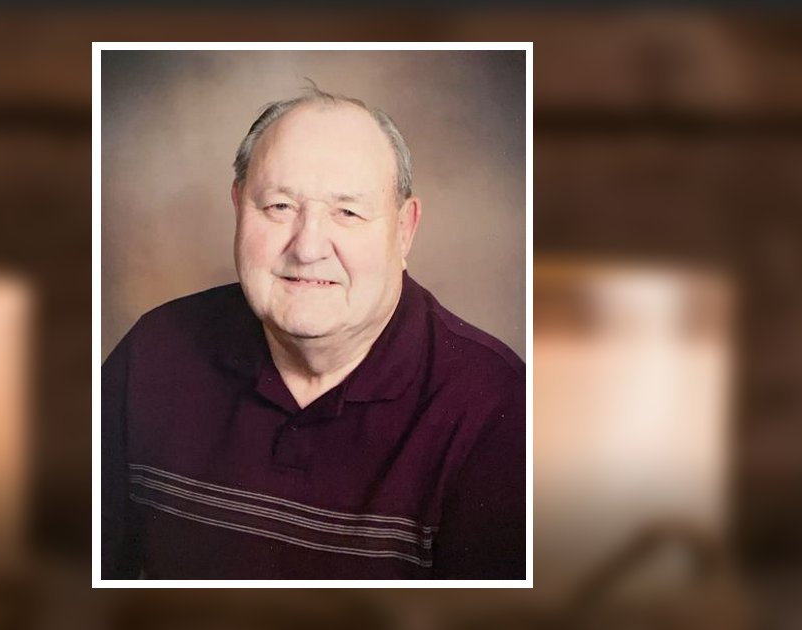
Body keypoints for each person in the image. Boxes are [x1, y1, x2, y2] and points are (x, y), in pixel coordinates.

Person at [102, 88, 525, 579]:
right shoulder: (155, 350)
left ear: (404, 229)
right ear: (238, 206)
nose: (307, 248)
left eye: (348, 212)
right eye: (279, 206)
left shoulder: (495, 407)